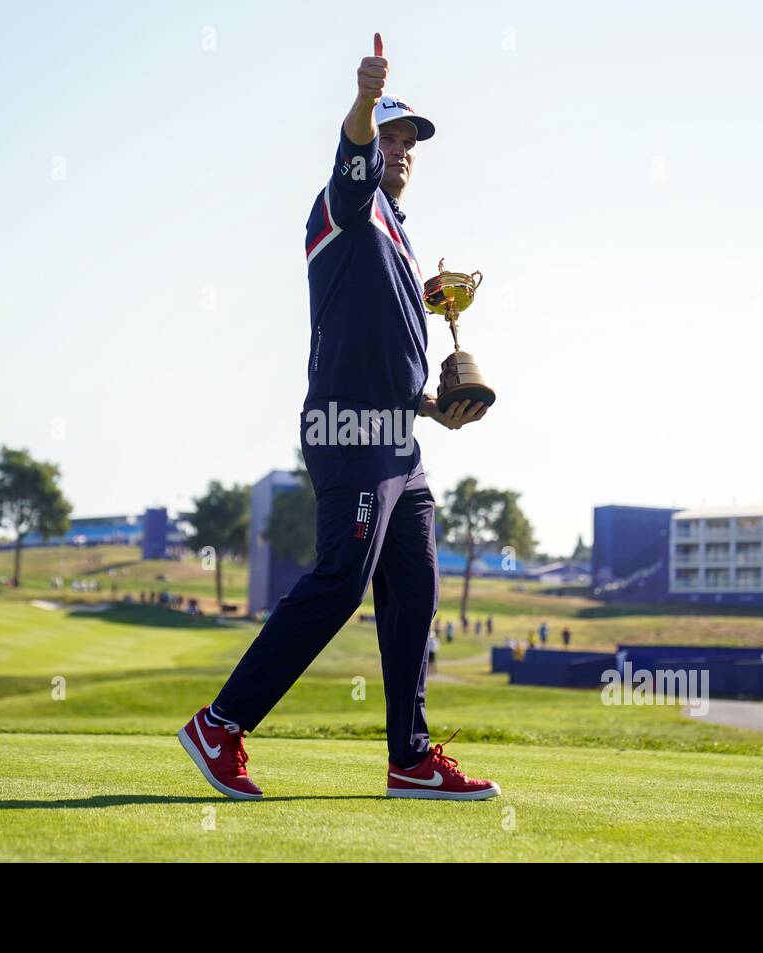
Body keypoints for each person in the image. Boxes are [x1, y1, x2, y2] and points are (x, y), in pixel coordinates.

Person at [179, 33, 497, 802]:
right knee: (338, 581)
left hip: (400, 440)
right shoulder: (345, 205)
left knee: (416, 588)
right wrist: (364, 98)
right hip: (346, 431)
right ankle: (220, 724)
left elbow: (379, 346)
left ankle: (410, 756)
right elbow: (350, 159)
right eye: (389, 136)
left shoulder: (397, 231)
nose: (399, 149)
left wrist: (431, 401)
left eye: (409, 141)